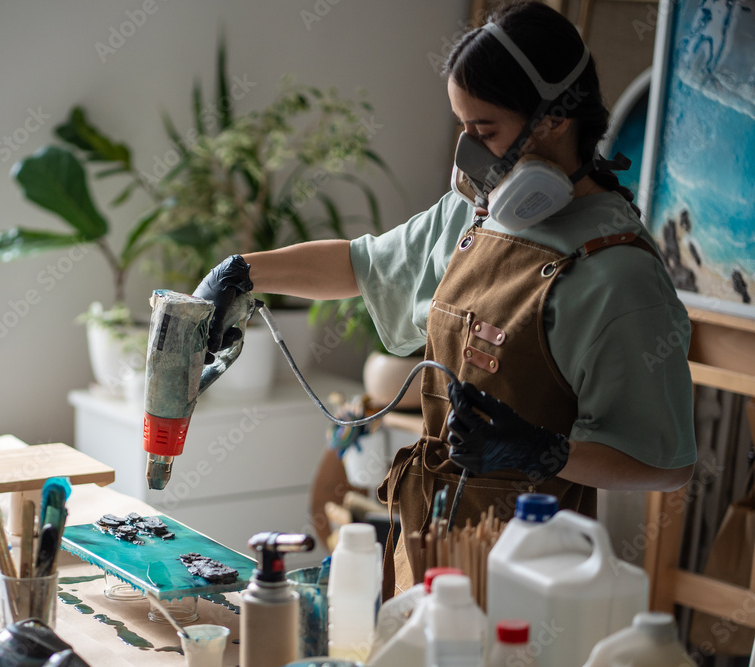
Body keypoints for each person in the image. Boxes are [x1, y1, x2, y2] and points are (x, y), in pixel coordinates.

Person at [193, 2, 696, 597]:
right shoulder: (476, 213)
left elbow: (666, 464)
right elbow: (364, 263)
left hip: (526, 573)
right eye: (462, 127)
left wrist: (543, 450)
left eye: (485, 131)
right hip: (425, 539)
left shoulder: (619, 274)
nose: (469, 153)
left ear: (556, 120)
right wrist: (243, 272)